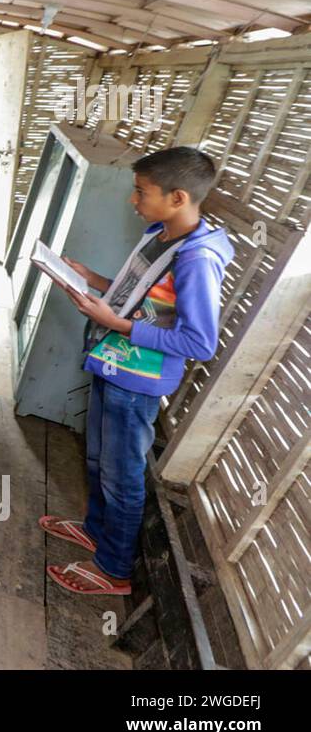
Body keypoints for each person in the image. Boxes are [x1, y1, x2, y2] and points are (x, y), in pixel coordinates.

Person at [41, 147, 233, 597]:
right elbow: (142, 295)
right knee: (97, 457)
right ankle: (96, 530)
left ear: (178, 196)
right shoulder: (160, 233)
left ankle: (114, 570)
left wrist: (118, 325)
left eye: (141, 192)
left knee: (122, 475)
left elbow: (198, 343)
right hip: (114, 362)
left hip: (138, 380)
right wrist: (93, 279)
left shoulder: (197, 259)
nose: (134, 200)